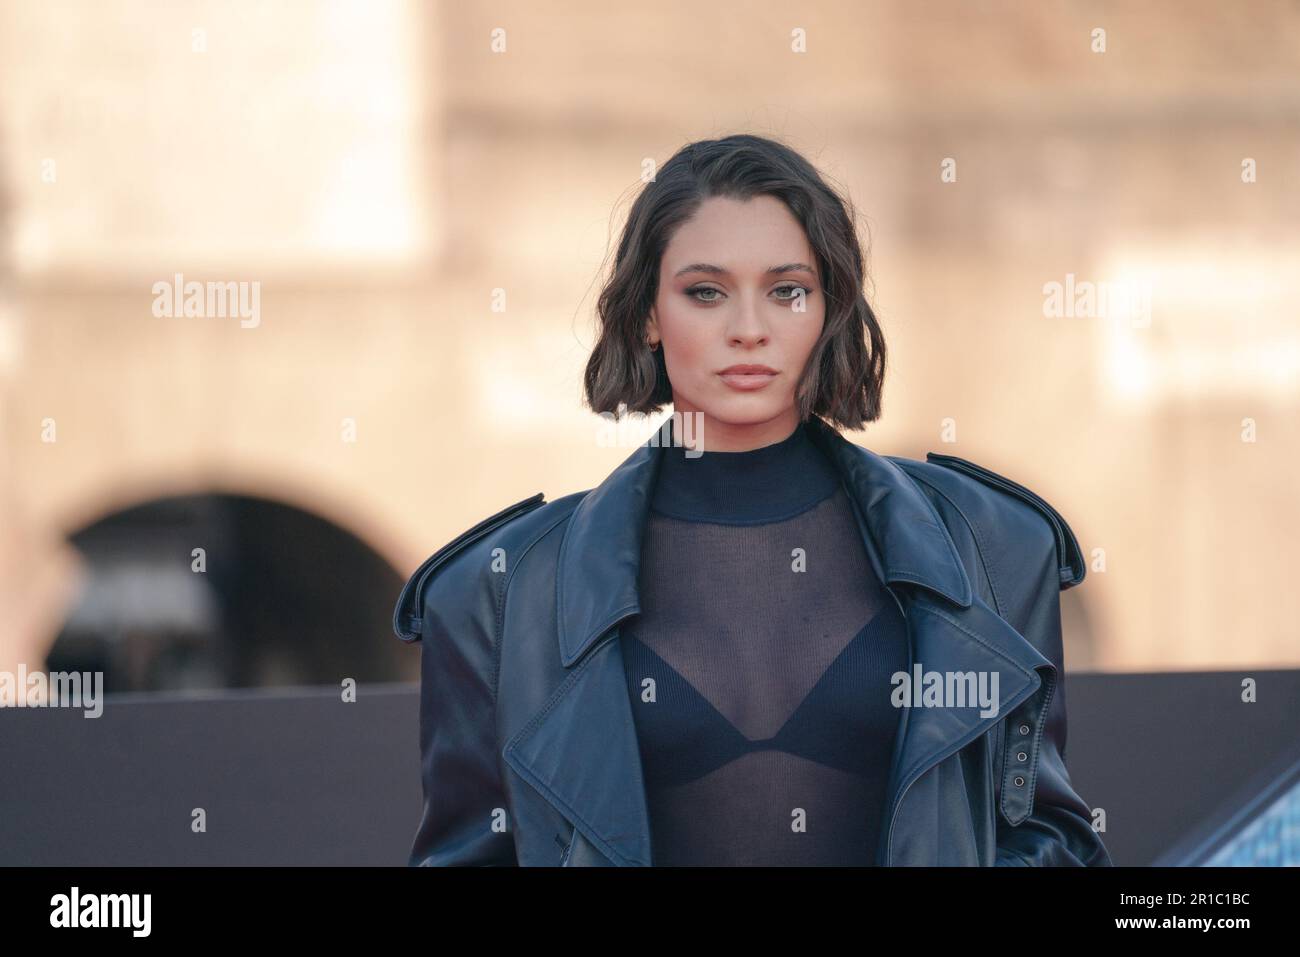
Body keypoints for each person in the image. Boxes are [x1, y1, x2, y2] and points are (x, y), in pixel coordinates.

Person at [394, 133, 1112, 866]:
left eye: (787, 290)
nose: (748, 330)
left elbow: (1048, 840)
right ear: (648, 314)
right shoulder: (499, 591)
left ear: (829, 307)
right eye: (705, 292)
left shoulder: (991, 546)